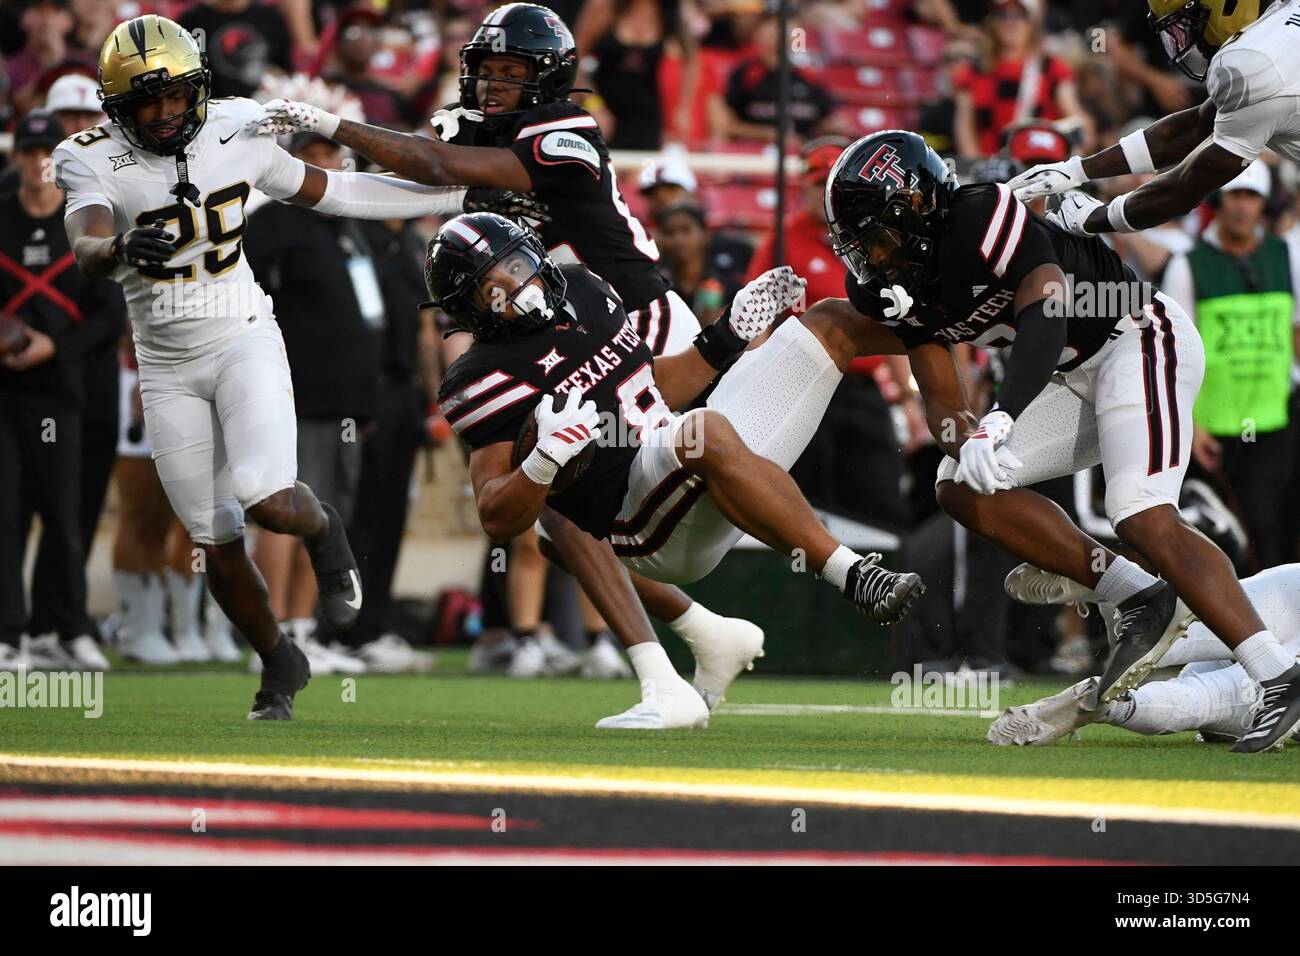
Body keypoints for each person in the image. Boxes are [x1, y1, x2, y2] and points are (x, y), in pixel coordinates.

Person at [250, 2, 767, 700]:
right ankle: (698, 637)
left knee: (581, 512)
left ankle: (726, 628)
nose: (492, 84)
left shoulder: (563, 131)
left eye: (511, 71)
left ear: (546, 77)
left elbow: (428, 162)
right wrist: (281, 178)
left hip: (635, 323)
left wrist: (328, 122)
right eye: (485, 70)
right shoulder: (483, 148)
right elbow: (378, 194)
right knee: (555, 517)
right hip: (580, 338)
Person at [825, 129, 1300, 753]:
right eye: (862, 244)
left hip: (1138, 336)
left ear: (918, 207)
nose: (873, 257)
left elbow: (1045, 311)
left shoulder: (980, 217)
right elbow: (939, 395)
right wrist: (963, 436)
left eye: (879, 236)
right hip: (1071, 375)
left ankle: (1276, 676)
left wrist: (1001, 415)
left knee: (1140, 511)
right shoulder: (894, 285)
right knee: (959, 487)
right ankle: (1136, 593)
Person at [55, 15, 474, 718]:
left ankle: (323, 531)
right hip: (164, 364)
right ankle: (279, 662)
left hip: (242, 335)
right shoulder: (86, 155)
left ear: (200, 87)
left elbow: (336, 192)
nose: (164, 115)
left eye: (175, 97)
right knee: (215, 540)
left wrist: (457, 196)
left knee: (266, 498)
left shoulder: (238, 127)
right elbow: (86, 240)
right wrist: (123, 249)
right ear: (115, 110)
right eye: (146, 103)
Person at [432, 212, 926, 728]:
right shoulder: (478, 378)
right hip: (644, 527)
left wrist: (731, 331)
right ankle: (856, 576)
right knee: (700, 432)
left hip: (697, 467)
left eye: (515, 264)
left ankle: (968, 326)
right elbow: (497, 517)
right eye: (493, 286)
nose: (516, 284)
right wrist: (541, 461)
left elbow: (653, 389)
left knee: (830, 322)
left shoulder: (581, 289)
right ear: (468, 308)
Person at [1007, 0, 1300, 240]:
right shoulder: (1279, 21)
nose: (1186, 41)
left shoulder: (1251, 65)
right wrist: (1076, 170)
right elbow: (1196, 126)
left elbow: (1182, 191)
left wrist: (1091, 219)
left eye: (1188, 25)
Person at [0, 112, 121, 673]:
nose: (35, 162)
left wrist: (57, 347)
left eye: (45, 152)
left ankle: (67, 628)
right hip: (4, 392)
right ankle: (9, 635)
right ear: (16, 157)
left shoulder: (85, 223)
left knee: (65, 515)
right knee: (6, 513)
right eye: (27, 151)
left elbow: (108, 314)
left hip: (63, 393)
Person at [989, 563, 1300, 750]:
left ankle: (1124, 588)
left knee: (1176, 630)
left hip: (1289, 583)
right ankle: (1109, 706)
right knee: (1202, 698)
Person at [1161, 160, 1300, 570]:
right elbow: (1174, 354)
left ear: (1264, 204)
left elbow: (1295, 331)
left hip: (1277, 415)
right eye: (1235, 195)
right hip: (1218, 428)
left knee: (1277, 525)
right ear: (1219, 201)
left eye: (1251, 197)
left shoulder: (1285, 256)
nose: (1242, 207)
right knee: (1236, 536)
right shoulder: (1188, 264)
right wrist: (1190, 426)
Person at [952, 0, 1083, 159]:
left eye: (1020, 15)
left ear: (1033, 23)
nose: (1010, 22)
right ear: (993, 22)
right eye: (1002, 15)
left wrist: (1041, 130)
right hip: (991, 171)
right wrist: (976, 167)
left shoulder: (1051, 68)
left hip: (1039, 168)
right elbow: (964, 127)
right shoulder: (972, 71)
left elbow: (1075, 121)